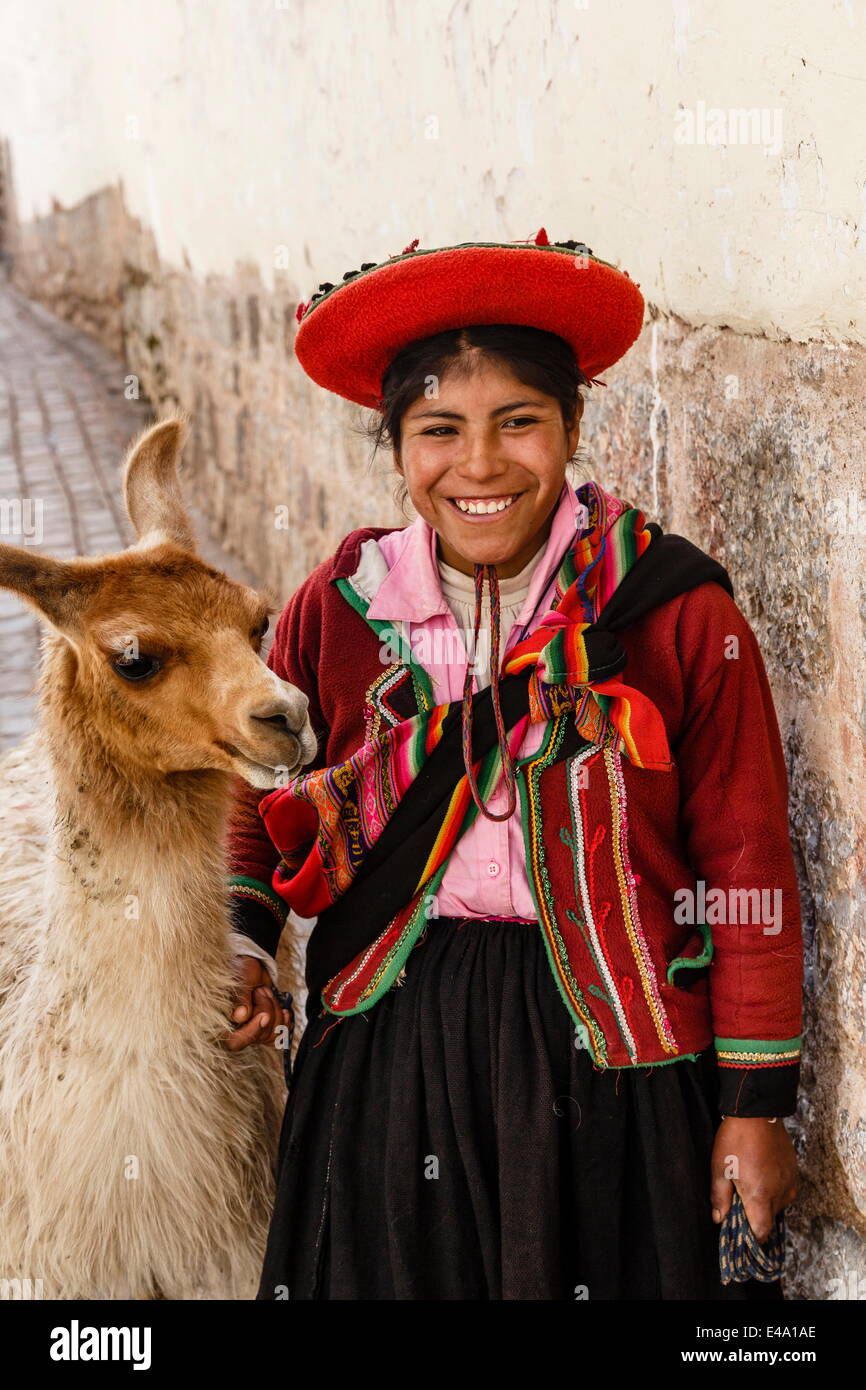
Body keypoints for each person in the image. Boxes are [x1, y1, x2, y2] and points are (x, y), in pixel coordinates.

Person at [224, 230, 802, 1300]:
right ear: (395, 446)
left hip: (614, 1067)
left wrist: (752, 1106)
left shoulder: (674, 611)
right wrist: (245, 946)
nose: (479, 464)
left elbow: (746, 857)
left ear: (573, 425)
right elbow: (247, 801)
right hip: (391, 1051)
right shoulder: (338, 609)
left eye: (518, 422)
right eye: (438, 429)